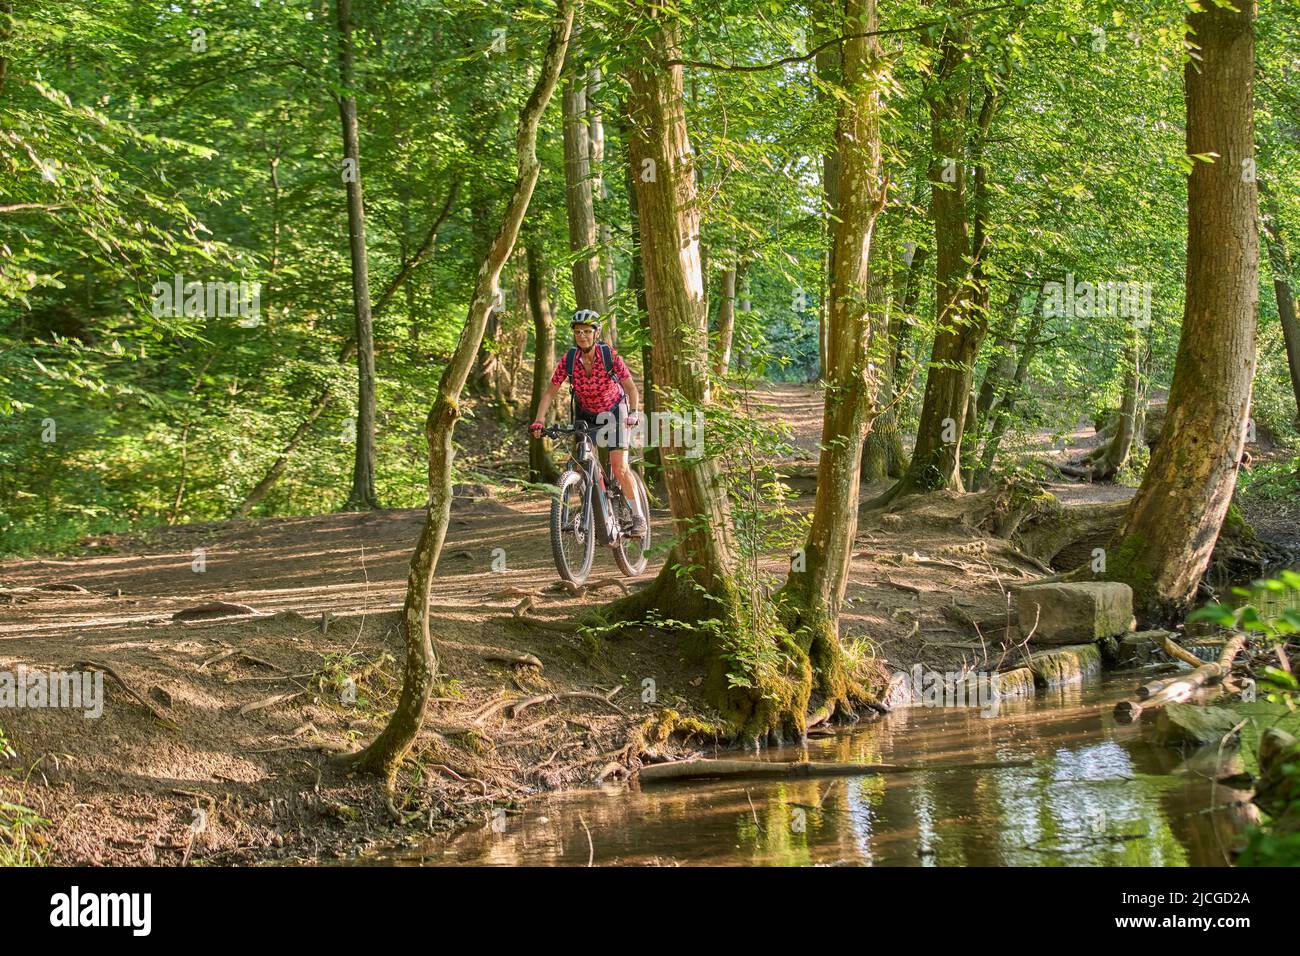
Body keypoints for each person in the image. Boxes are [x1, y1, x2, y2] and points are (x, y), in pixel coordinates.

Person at [531, 310, 647, 536]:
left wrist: (633, 413)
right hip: (586, 414)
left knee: (618, 466)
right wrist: (539, 420)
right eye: (577, 332)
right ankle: (598, 509)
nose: (582, 336)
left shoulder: (609, 355)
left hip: (615, 411)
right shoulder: (569, 360)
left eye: (586, 331)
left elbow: (631, 388)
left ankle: (637, 516)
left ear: (596, 333)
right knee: (583, 461)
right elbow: (549, 393)